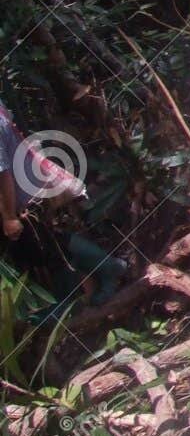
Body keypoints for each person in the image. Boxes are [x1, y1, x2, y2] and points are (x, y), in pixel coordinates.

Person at [0, 98, 124, 313]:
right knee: (48, 243)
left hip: (23, 194)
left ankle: (67, 309)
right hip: (29, 185)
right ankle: (107, 267)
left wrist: (9, 216)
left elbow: (2, 175)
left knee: (46, 250)